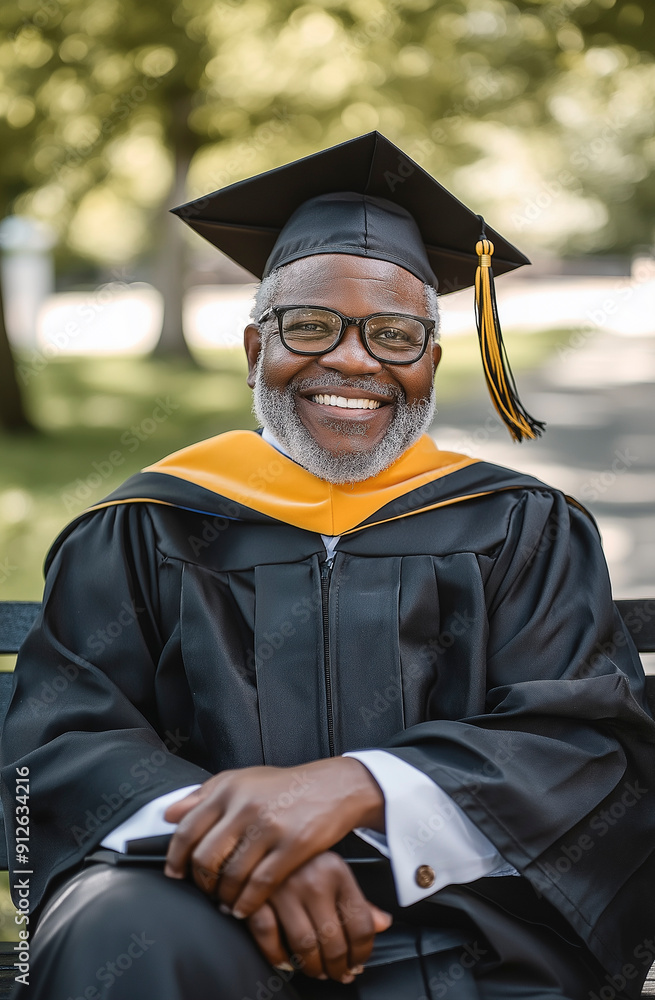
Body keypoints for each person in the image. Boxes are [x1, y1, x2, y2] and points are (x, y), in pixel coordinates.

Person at [2, 131, 654, 1000]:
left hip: (469, 918)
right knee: (124, 931)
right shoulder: (147, 525)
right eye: (309, 326)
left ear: (430, 363)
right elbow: (56, 738)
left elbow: (583, 738)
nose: (353, 360)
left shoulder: (519, 527)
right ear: (252, 352)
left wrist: (365, 790)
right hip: (191, 905)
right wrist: (246, 851)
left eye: (394, 335)